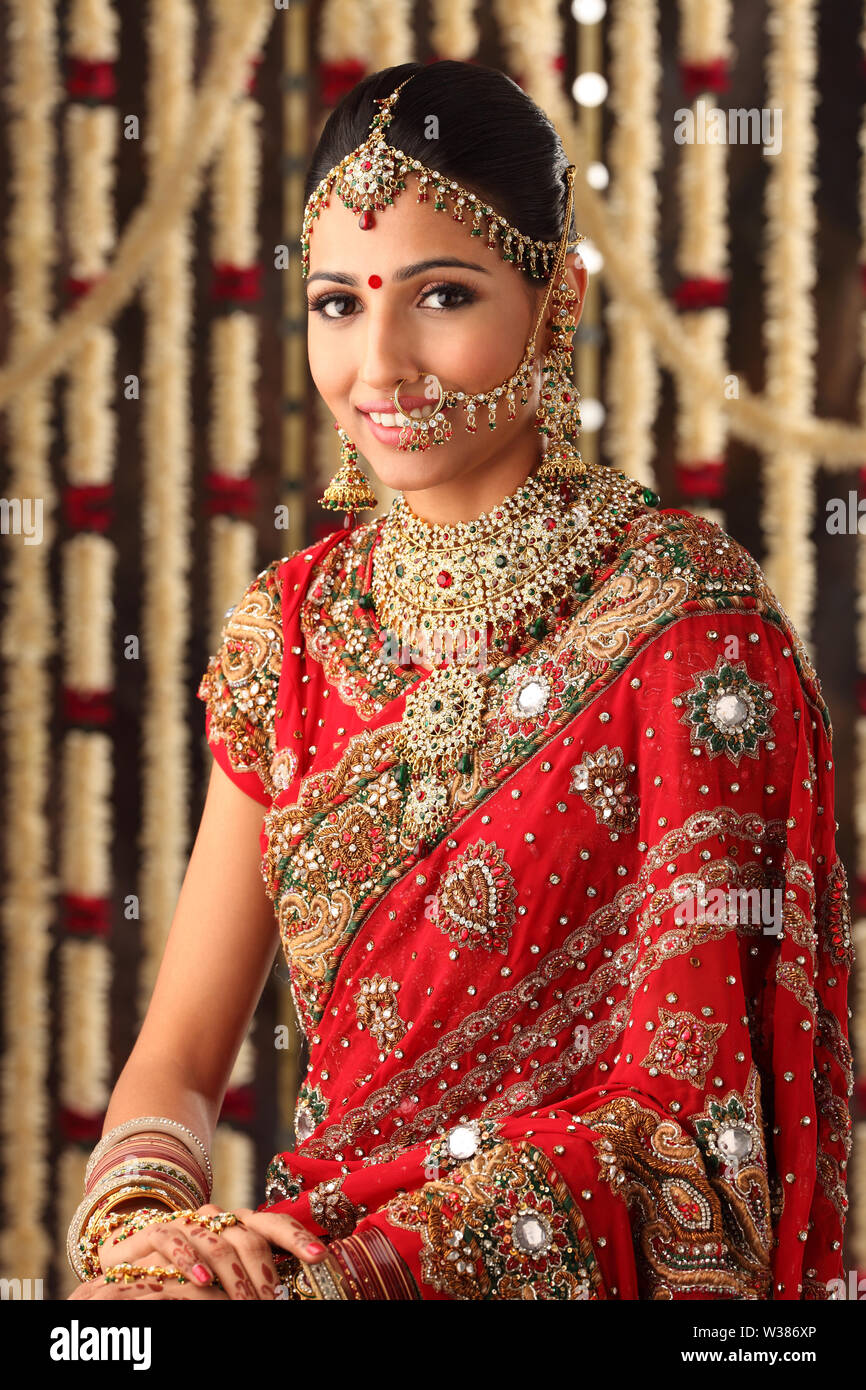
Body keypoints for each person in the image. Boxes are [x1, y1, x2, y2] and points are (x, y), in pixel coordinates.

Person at [67, 60, 853, 1302]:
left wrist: (372, 1266)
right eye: (336, 303)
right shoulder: (293, 636)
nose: (379, 364)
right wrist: (148, 1238)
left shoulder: (688, 627)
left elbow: (693, 1132)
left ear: (556, 303)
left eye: (440, 294)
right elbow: (172, 1064)